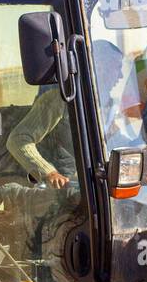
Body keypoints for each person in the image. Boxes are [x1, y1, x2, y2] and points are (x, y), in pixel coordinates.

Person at [7, 39, 130, 188]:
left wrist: (145, 150)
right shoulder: (59, 100)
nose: (121, 76)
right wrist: (49, 173)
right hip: (61, 193)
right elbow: (18, 139)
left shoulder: (103, 106)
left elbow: (115, 141)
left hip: (94, 186)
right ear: (98, 65)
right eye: (117, 67)